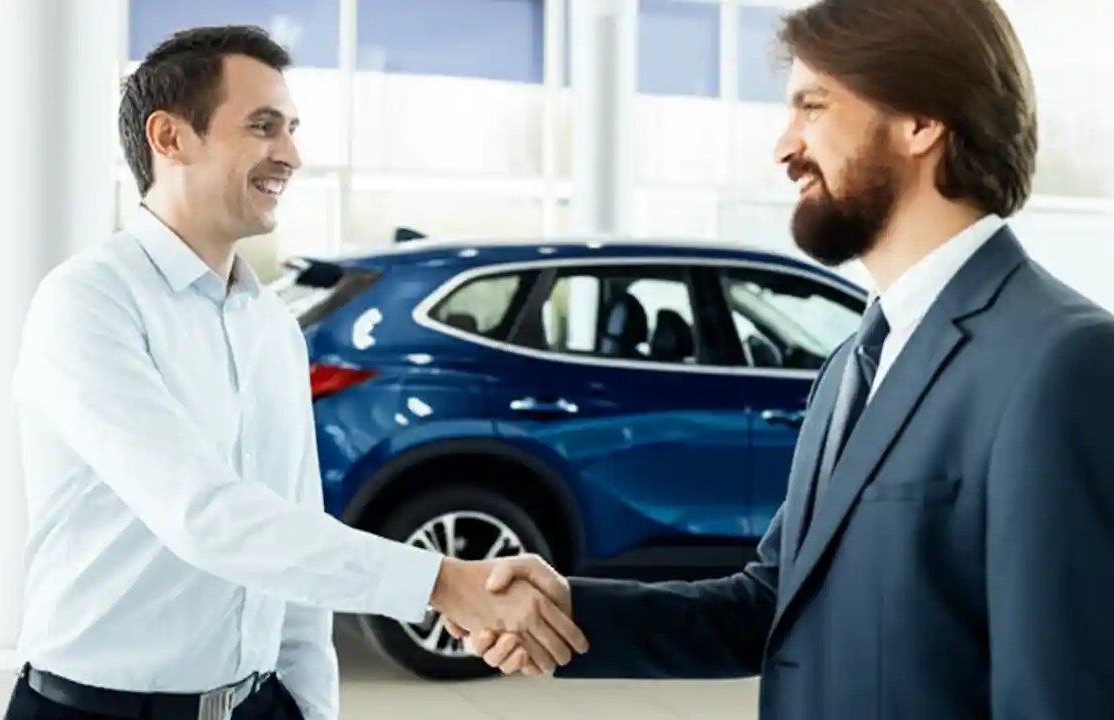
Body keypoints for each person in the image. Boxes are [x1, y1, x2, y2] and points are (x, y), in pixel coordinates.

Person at [463, 1, 1114, 717]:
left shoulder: (1063, 363)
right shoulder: (854, 362)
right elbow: (772, 604)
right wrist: (562, 612)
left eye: (813, 106)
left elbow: (1060, 694)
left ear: (923, 120)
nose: (783, 146)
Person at [2, 25, 586, 720]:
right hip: (95, 711)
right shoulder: (90, 302)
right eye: (262, 126)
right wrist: (439, 581)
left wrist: (309, 707)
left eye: (292, 128)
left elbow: (294, 527)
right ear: (170, 138)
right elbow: (206, 516)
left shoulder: (271, 325)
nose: (291, 155)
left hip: (258, 706)